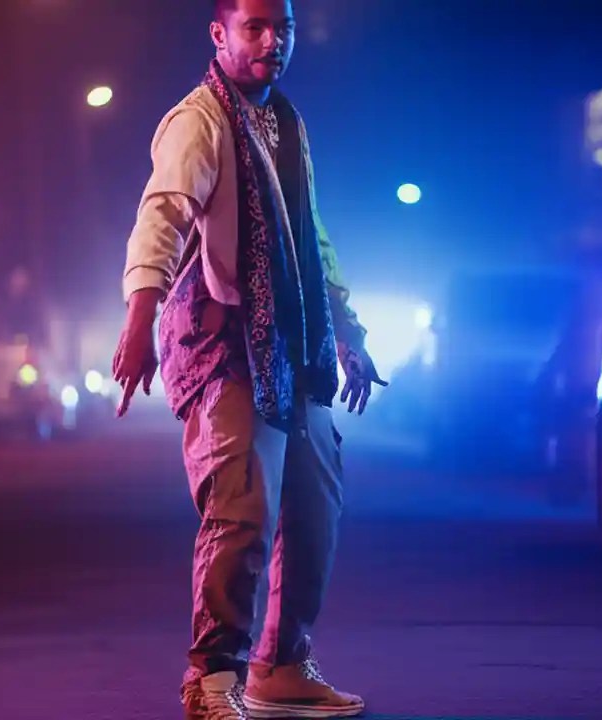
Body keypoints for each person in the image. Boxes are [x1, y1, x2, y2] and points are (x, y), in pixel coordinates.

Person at [111, 1, 386, 717]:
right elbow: (163, 215)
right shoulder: (198, 120)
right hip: (223, 344)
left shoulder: (287, 123)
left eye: (283, 30)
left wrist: (347, 331)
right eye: (256, 28)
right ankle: (211, 681)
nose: (273, 42)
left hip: (295, 344)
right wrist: (139, 317)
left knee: (316, 501)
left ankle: (283, 664)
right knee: (240, 509)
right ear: (220, 35)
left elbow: (311, 237)